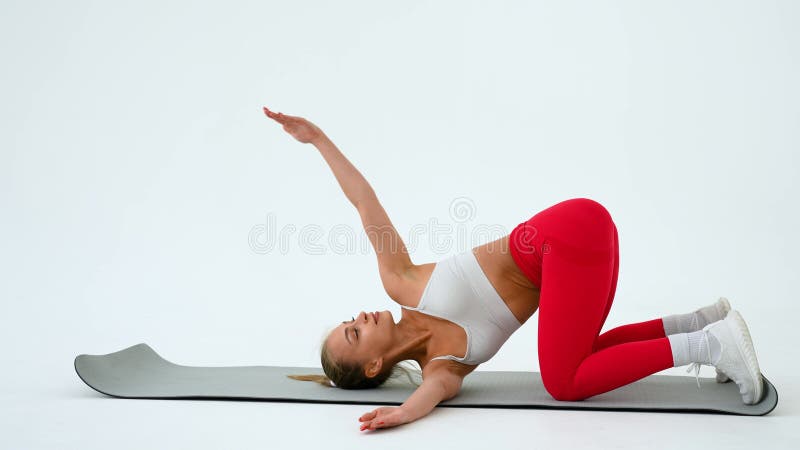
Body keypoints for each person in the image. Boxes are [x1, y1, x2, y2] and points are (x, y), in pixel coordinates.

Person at [262, 106, 765, 432]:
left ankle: (712, 345)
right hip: (579, 247)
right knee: (583, 357)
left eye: (349, 322)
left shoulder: (401, 282)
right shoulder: (444, 369)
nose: (359, 317)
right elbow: (426, 400)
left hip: (561, 236)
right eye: (353, 333)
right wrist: (399, 415)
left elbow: (364, 203)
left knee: (563, 381)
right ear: (374, 366)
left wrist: (318, 139)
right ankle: (698, 324)